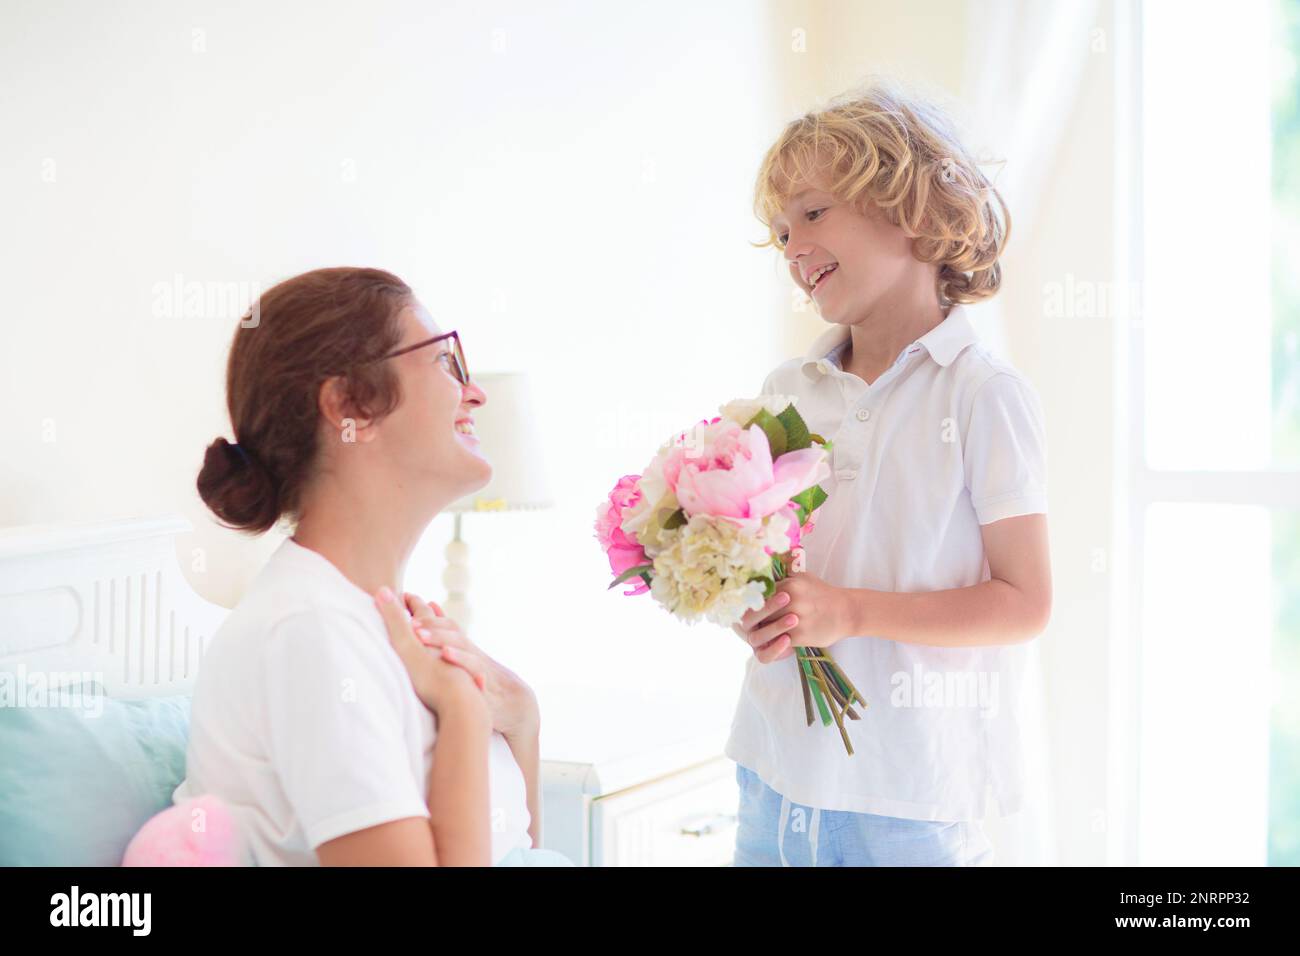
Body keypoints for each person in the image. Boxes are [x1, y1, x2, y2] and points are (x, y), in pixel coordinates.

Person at [727, 81, 1052, 866]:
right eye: (779, 231)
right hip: (772, 774)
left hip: (909, 798)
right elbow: (774, 565)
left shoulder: (982, 394)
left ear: (913, 209)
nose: (793, 245)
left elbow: (1023, 604)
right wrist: (757, 609)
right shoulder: (786, 390)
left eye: (811, 212)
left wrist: (850, 612)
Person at [181, 266, 570, 866]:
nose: (475, 392)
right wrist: (464, 712)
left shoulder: (386, 624)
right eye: (445, 362)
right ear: (348, 405)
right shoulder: (311, 635)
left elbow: (515, 850)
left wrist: (520, 718)